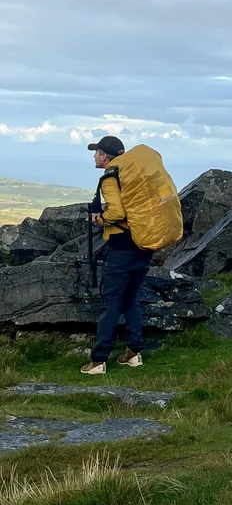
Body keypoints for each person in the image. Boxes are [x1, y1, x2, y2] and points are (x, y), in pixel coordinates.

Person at [81, 134, 153, 374]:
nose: (94, 155)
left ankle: (98, 360)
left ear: (105, 156)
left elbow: (117, 212)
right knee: (131, 300)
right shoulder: (133, 175)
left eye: (97, 152)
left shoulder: (111, 177)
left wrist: (100, 218)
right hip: (143, 242)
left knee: (111, 304)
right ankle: (134, 353)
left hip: (121, 245)